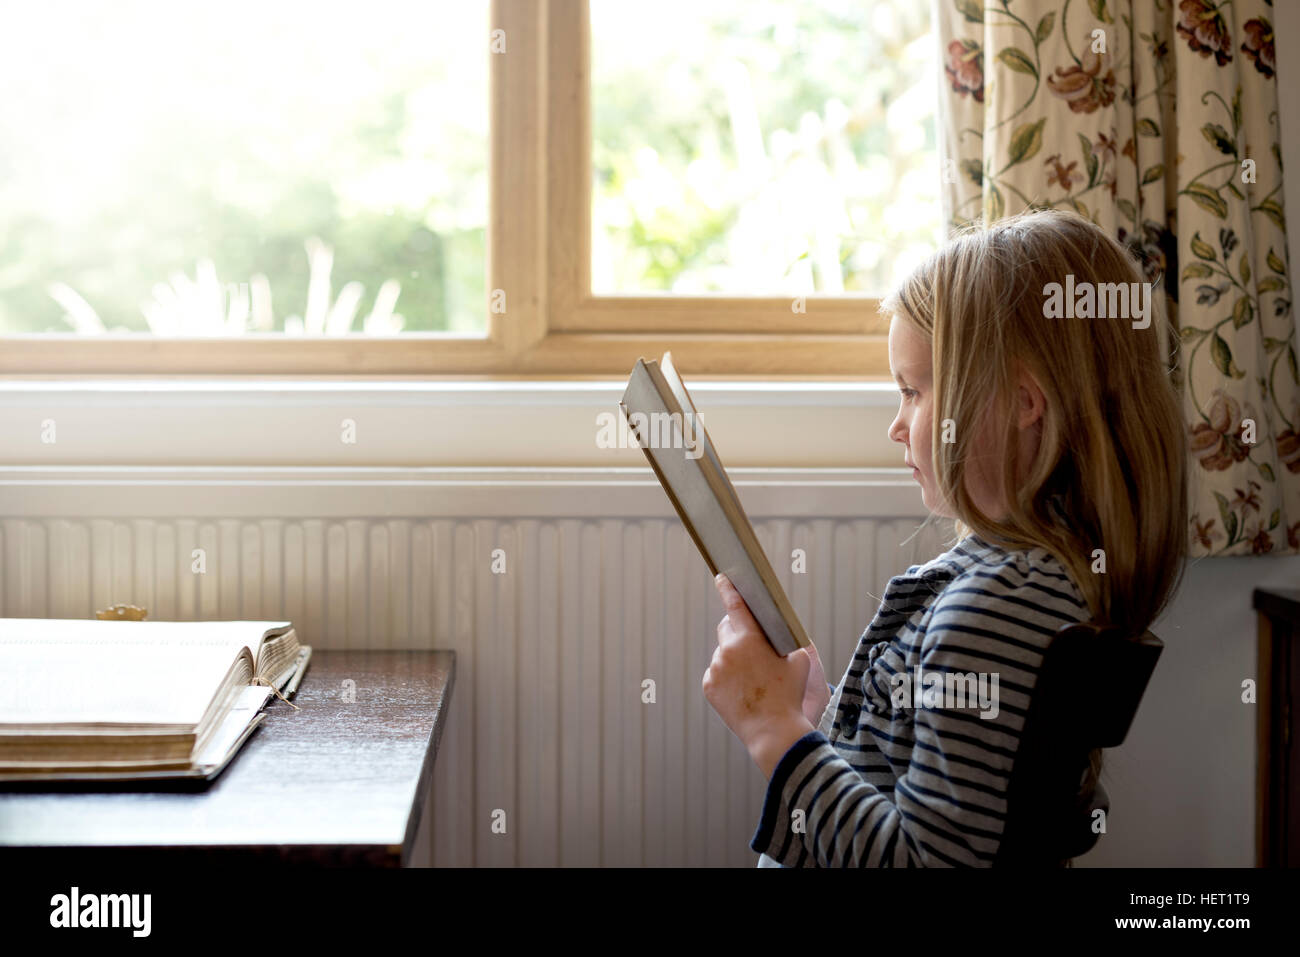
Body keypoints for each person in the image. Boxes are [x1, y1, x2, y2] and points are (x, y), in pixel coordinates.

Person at [702, 208, 1189, 866]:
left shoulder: (990, 612)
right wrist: (822, 723)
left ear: (1023, 401)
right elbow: (913, 791)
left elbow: (928, 863)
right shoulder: (1033, 584)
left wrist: (772, 728)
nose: (896, 426)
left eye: (913, 391)